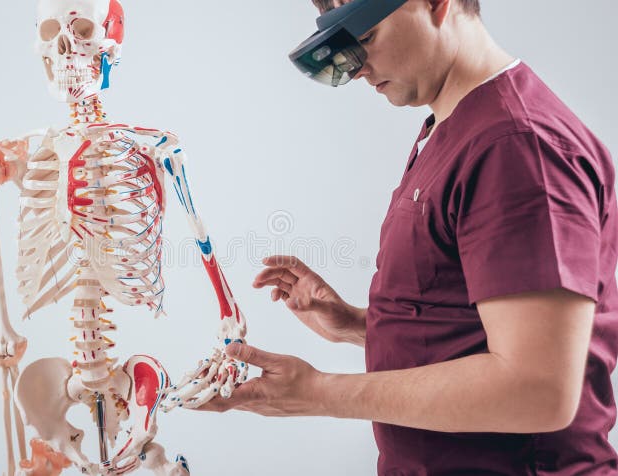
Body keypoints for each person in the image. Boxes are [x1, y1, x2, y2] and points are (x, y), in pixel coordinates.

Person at [197, 0, 618, 474]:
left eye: (366, 37)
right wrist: (363, 327)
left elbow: (537, 389)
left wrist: (317, 392)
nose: (355, 69)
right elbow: (472, 331)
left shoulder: (517, 146)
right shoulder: (453, 126)